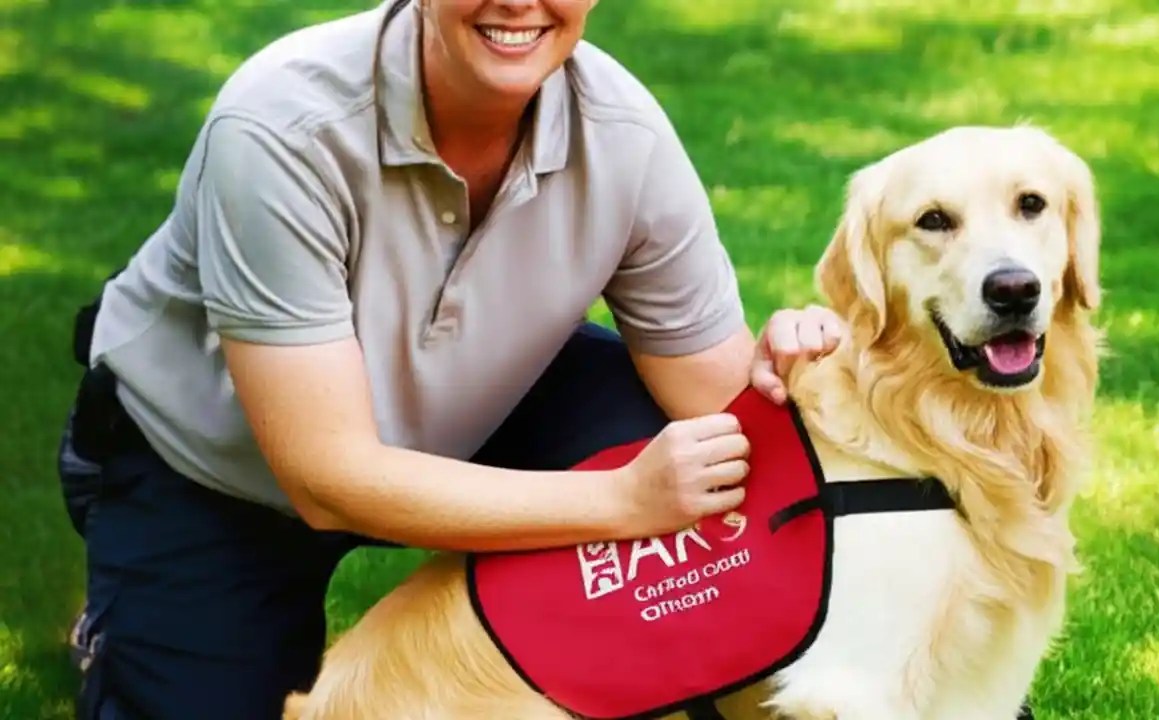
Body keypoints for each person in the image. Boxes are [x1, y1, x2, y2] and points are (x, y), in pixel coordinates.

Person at [56, 0, 846, 718]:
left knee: (698, 457)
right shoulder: (281, 124)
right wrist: (621, 499)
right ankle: (119, 624)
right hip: (218, 469)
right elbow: (325, 478)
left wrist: (804, 367)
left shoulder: (624, 132)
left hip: (481, 401)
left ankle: (605, 672)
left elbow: (720, 403)